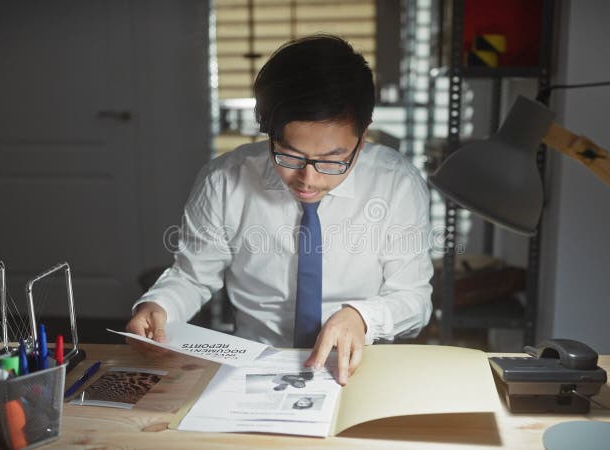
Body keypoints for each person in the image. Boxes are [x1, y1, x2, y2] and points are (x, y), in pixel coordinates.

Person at [126, 34, 433, 385]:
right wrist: (159, 306)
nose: (308, 179)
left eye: (332, 161)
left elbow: (414, 299)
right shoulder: (225, 180)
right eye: (289, 155)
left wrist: (362, 317)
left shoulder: (397, 184)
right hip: (253, 365)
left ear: (361, 141)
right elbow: (192, 275)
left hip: (359, 365)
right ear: (268, 132)